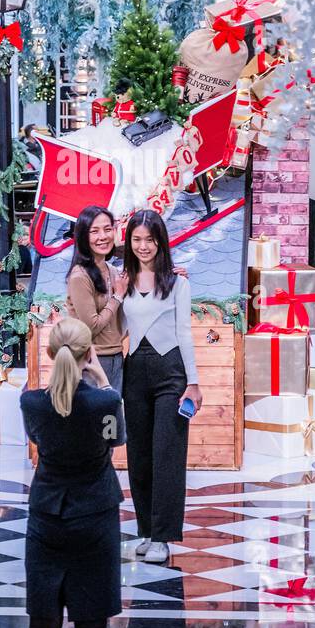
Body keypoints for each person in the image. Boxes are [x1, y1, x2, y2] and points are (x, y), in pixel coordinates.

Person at [19, 317, 122, 628]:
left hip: (47, 519)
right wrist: (100, 379)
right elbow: (115, 442)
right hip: (95, 517)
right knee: (91, 625)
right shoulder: (105, 402)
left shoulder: (31, 404)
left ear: (50, 355)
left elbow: (41, 436)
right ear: (87, 354)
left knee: (43, 624)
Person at [120, 209, 202, 564]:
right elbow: (117, 326)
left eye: (149, 240)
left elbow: (184, 333)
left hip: (171, 373)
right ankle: (145, 530)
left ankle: (163, 536)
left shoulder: (177, 282)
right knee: (138, 454)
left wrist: (194, 383)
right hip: (134, 370)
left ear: (160, 241)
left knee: (167, 454)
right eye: (136, 240)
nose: (143, 246)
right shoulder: (120, 281)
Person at [65, 205, 127, 447]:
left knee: (109, 433)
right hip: (90, 364)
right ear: (83, 236)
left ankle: (104, 481)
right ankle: (87, 484)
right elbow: (91, 326)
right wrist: (117, 298)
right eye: (94, 231)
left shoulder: (112, 271)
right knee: (90, 436)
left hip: (115, 360)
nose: (103, 236)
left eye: (107, 229)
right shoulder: (80, 276)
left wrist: (174, 275)